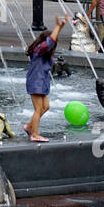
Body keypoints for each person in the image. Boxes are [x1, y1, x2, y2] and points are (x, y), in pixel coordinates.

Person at [24, 14, 68, 142]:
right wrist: (59, 27)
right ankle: (34, 134)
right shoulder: (40, 49)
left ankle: (29, 126)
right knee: (38, 109)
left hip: (41, 82)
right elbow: (50, 41)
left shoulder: (42, 52)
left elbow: (50, 42)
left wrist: (59, 27)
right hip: (36, 82)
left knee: (45, 106)